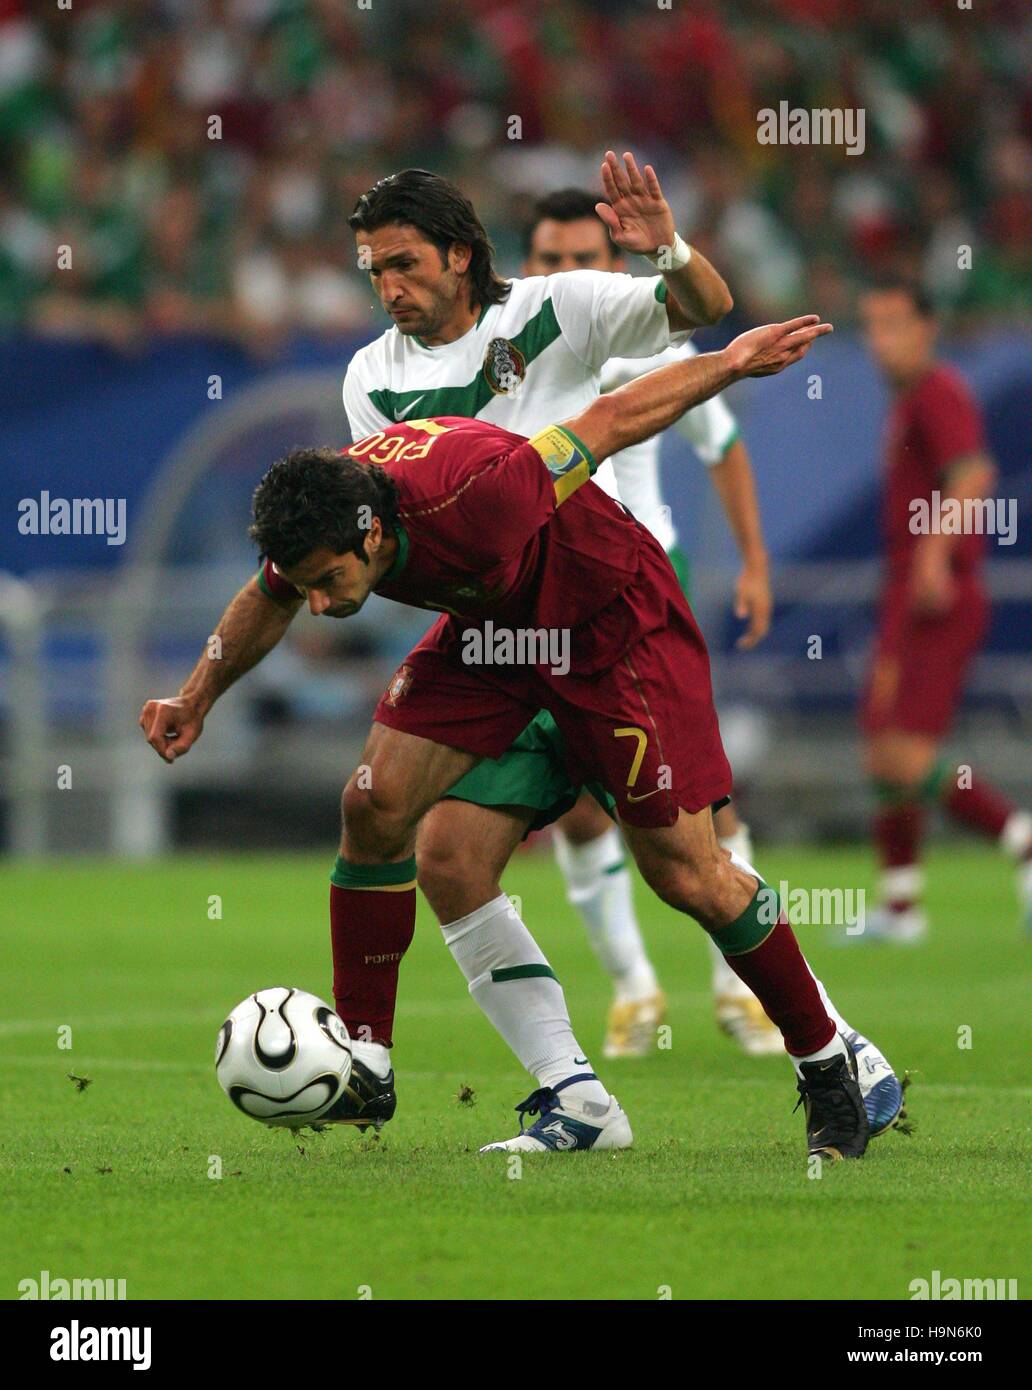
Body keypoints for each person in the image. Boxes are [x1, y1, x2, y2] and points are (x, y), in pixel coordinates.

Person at [141, 311, 898, 1165]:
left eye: (329, 583)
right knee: (392, 816)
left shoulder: (482, 490)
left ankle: (827, 1061)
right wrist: (198, 694)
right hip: (496, 639)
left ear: (373, 535)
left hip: (612, 628)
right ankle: (409, 1068)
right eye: (307, 586)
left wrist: (728, 361)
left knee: (686, 873)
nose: (318, 603)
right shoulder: (323, 514)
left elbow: (607, 421)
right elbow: (268, 595)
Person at [858, 281, 1032, 942]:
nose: (880, 341)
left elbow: (974, 475)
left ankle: (1023, 840)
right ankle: (901, 909)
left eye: (894, 324)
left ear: (927, 329)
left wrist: (934, 556)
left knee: (901, 754)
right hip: (909, 594)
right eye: (871, 326)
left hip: (939, 596)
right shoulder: (908, 404)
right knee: (881, 747)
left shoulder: (936, 391)